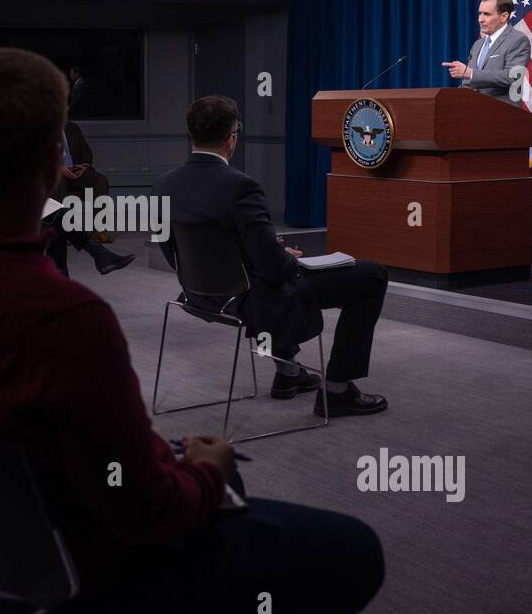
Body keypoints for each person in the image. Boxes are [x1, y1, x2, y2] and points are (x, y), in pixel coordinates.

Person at [0, 48, 383, 614]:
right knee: (355, 551)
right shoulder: (66, 319)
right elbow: (148, 510)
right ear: (52, 164)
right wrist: (208, 470)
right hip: (88, 587)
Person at [154, 95, 389, 417]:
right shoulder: (240, 187)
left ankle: (288, 372)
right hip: (247, 297)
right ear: (231, 138)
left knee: (265, 273)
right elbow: (275, 269)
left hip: (198, 296)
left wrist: (262, 250)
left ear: (190, 135)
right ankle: (337, 390)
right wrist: (282, 255)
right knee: (371, 275)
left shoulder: (164, 185)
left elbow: (172, 252)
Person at [44, 121, 134, 277]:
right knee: (56, 216)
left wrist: (83, 165)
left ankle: (99, 249)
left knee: (56, 217)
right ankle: (100, 254)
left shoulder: (71, 127)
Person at [443, 0, 532, 106]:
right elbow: (468, 83)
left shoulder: (517, 40)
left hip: (502, 113)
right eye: (480, 13)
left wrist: (470, 73)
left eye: (486, 14)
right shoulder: (478, 44)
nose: (480, 19)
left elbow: (513, 76)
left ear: (504, 17)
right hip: (473, 112)